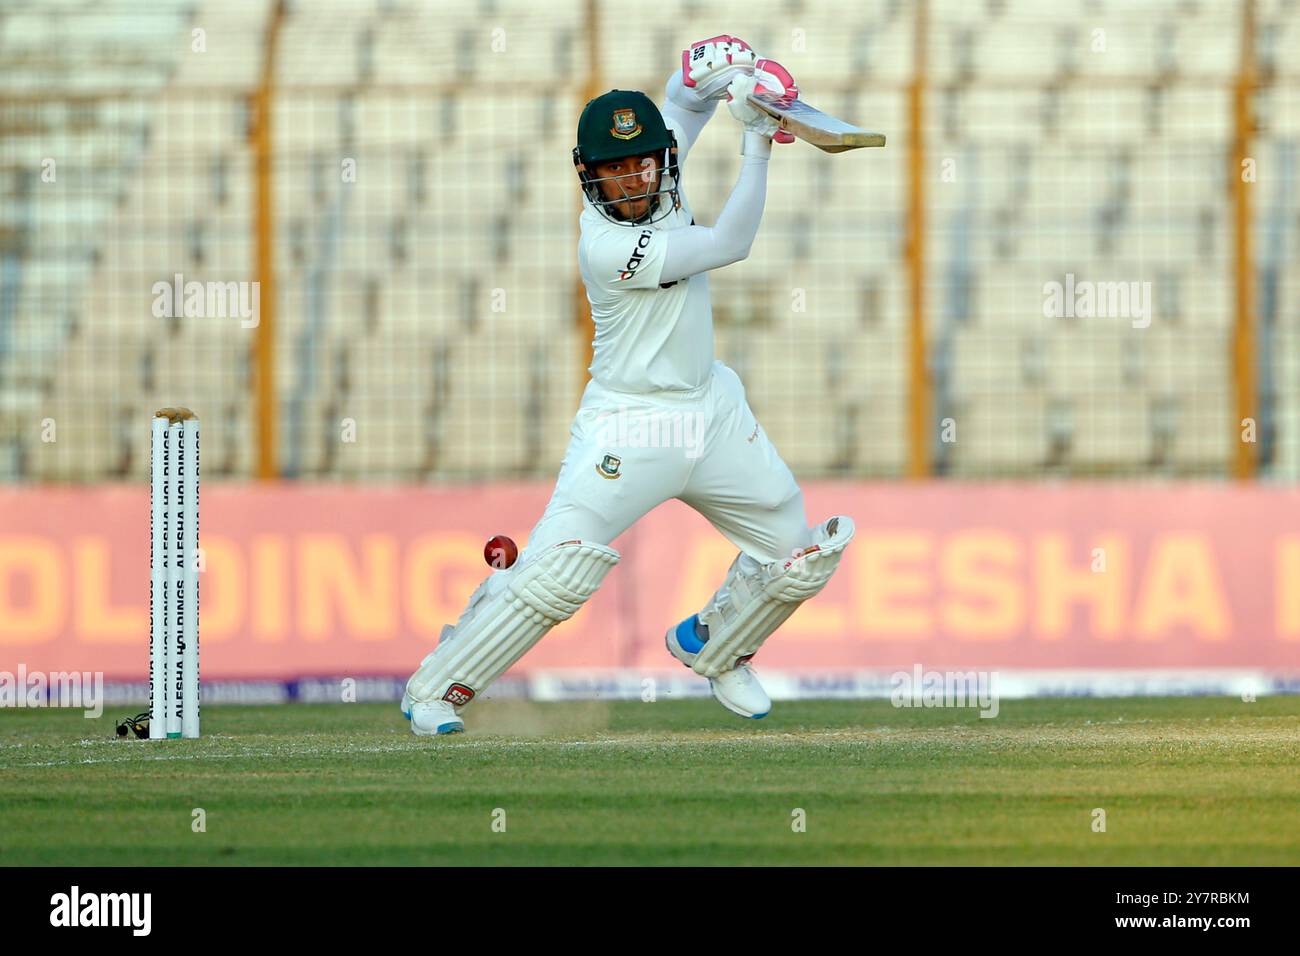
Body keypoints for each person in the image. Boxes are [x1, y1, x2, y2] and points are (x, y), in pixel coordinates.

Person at [402, 35, 854, 735]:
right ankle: (438, 686)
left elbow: (681, 105)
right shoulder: (606, 246)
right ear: (590, 177)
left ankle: (715, 643)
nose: (635, 182)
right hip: (630, 424)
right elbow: (732, 243)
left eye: (645, 164)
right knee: (556, 575)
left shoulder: (660, 175)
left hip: (711, 411)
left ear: (662, 161)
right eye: (616, 172)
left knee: (798, 555)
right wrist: (758, 141)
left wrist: (721, 74)